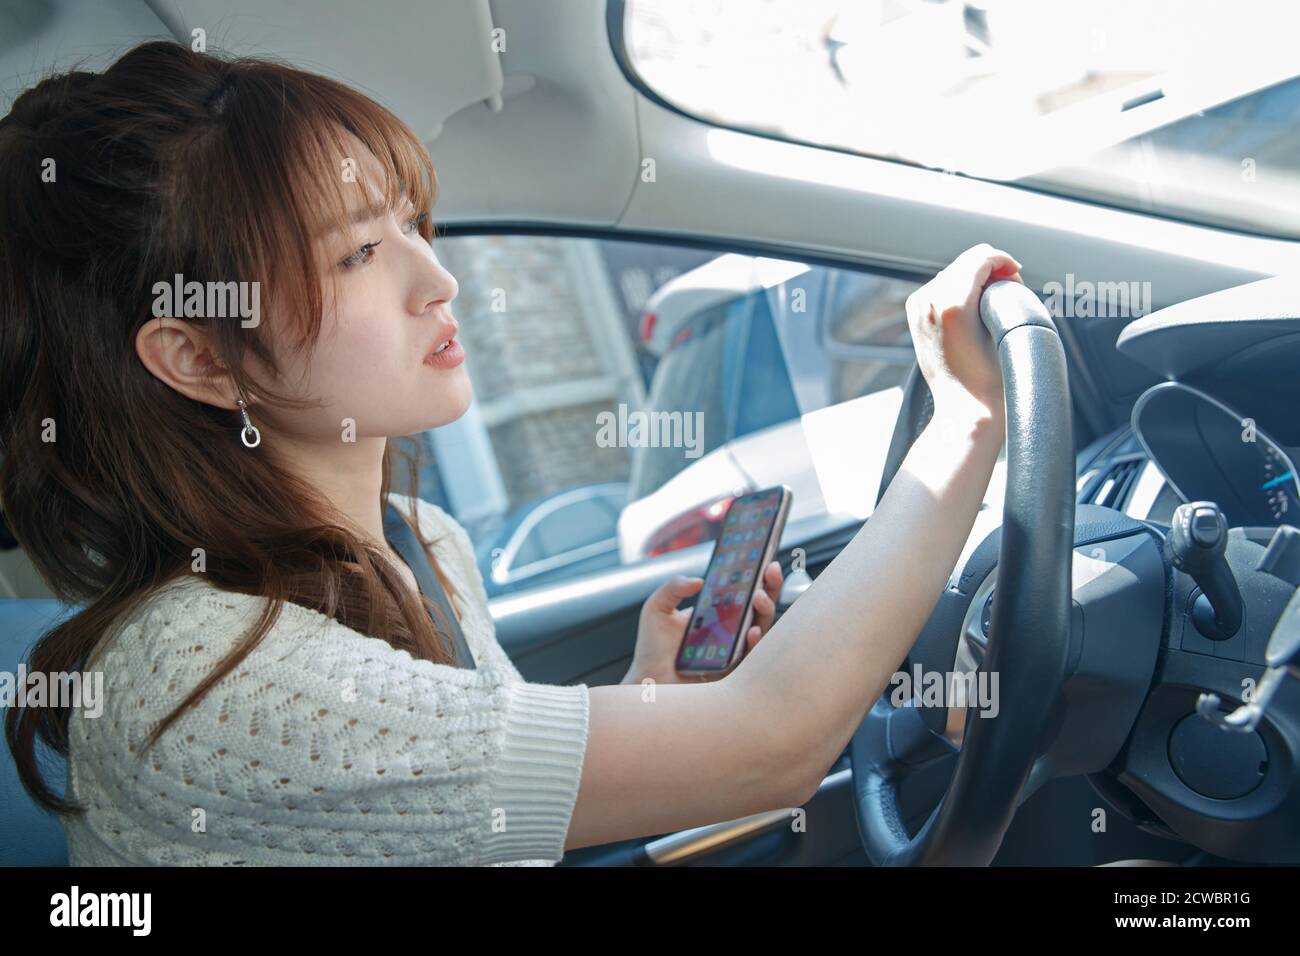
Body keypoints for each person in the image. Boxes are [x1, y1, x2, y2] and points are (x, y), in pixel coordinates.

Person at [0, 40, 1016, 865]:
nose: (435, 277)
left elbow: (460, 799)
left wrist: (645, 698)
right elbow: (775, 744)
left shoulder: (418, 539)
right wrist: (964, 425)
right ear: (202, 355)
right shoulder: (199, 677)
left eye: (410, 223)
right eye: (358, 251)